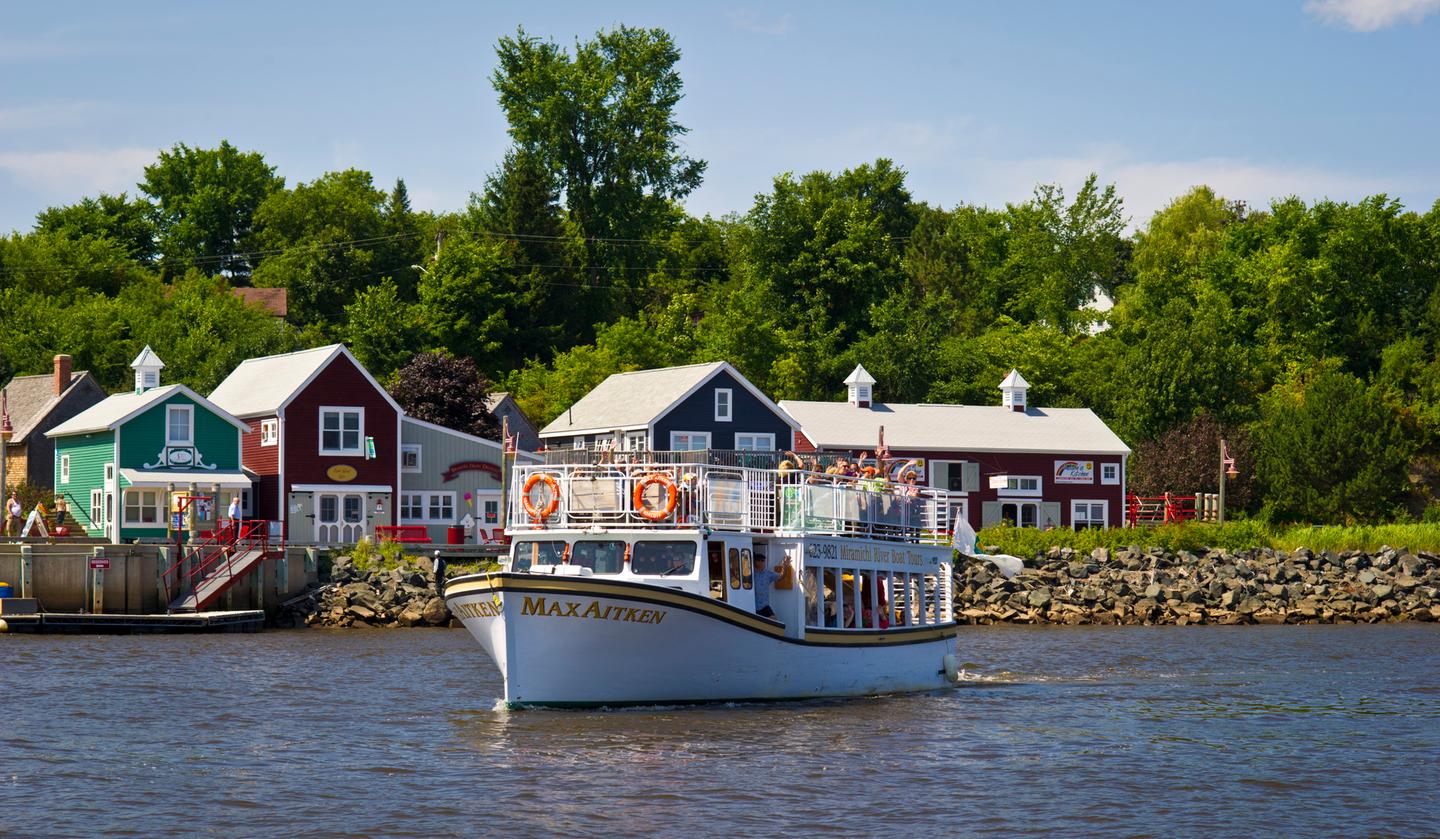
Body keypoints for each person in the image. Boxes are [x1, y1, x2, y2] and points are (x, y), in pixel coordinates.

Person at [752, 552, 790, 619]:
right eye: (759, 560)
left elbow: (781, 576)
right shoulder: (750, 573)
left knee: (774, 620)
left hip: (764, 606)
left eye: (763, 560)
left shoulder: (768, 574)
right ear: (755, 561)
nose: (761, 562)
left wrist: (785, 567)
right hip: (752, 605)